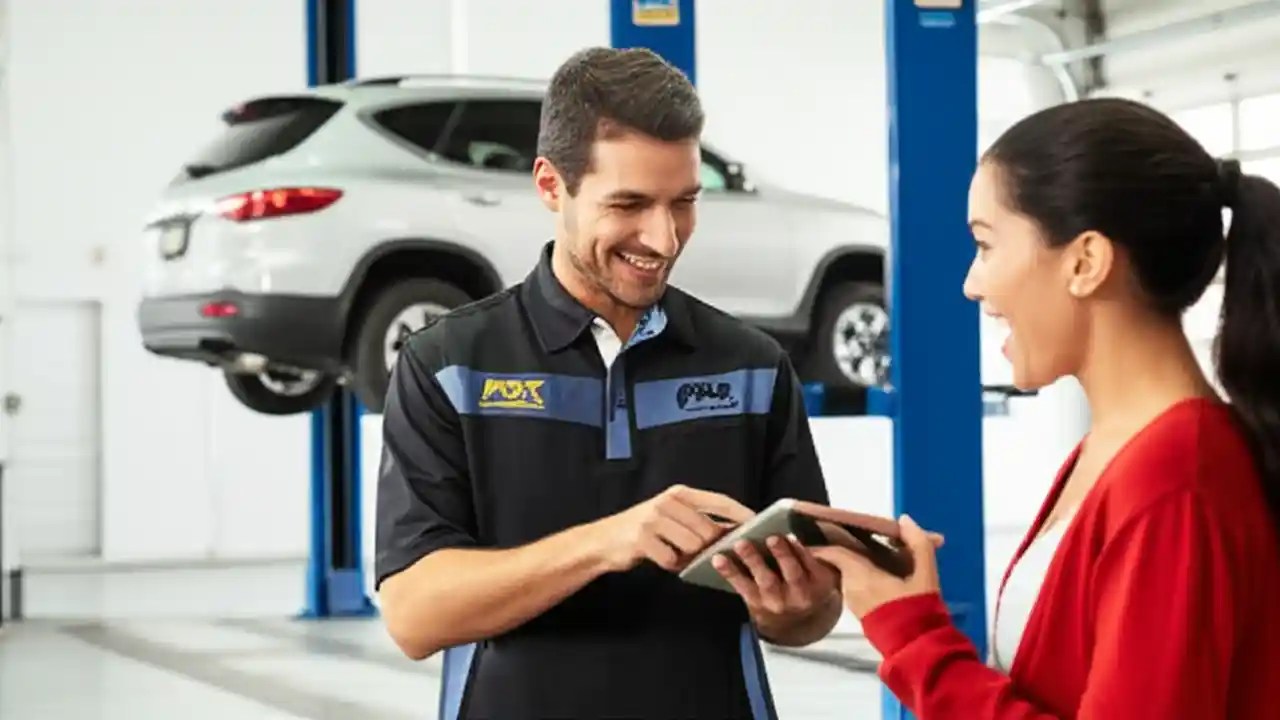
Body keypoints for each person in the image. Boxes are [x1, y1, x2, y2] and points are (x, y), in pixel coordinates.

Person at [373, 46, 843, 720]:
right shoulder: (448, 366)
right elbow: (416, 615)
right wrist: (609, 542)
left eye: (683, 202)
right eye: (629, 204)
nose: (663, 237)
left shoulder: (752, 368)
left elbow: (812, 612)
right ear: (549, 187)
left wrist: (798, 607)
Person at [812, 96, 1280, 718]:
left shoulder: (1176, 477)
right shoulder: (1121, 450)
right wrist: (915, 619)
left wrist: (917, 640)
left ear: (1085, 262)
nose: (972, 283)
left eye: (986, 245)